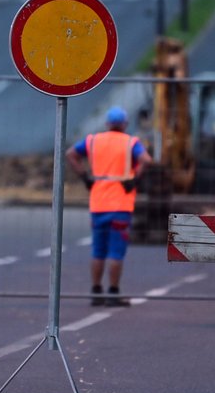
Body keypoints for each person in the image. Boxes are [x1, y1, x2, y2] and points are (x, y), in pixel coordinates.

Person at [66, 106, 153, 307]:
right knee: (116, 252)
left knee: (98, 250)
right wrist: (134, 180)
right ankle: (113, 293)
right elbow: (146, 160)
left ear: (107, 124)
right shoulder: (130, 142)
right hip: (120, 204)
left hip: (98, 204)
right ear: (125, 124)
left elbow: (70, 154)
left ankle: (96, 291)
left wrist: (85, 177)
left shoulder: (93, 141)